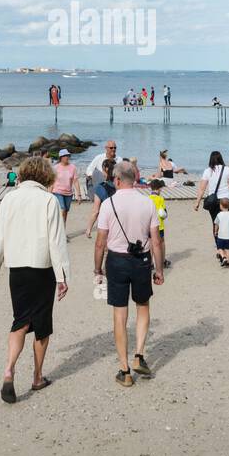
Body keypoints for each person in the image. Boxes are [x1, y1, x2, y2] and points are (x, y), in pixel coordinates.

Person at [0, 156, 69, 404]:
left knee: (20, 321)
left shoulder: (9, 198)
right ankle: (37, 376)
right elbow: (56, 241)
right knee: (42, 325)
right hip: (42, 267)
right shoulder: (49, 200)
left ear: (22, 174)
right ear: (46, 176)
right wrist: (62, 276)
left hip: (17, 268)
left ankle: (9, 369)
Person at [93, 161, 163, 388]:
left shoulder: (108, 204)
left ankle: (124, 370)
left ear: (116, 180)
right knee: (143, 307)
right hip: (141, 260)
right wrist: (159, 269)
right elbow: (156, 240)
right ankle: (139, 354)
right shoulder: (148, 202)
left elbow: (100, 243)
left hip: (116, 260)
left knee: (119, 315)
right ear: (134, 179)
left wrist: (98, 268)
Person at [194, 151, 229, 248]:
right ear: (221, 158)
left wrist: (197, 202)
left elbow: (202, 188)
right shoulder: (227, 169)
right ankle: (225, 248)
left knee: (215, 223)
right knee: (226, 223)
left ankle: (219, 247)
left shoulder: (207, 171)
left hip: (213, 202)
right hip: (226, 201)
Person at [83, 159, 117, 239]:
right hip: (120, 221)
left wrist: (89, 229)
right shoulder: (121, 185)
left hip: (106, 222)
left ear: (104, 170)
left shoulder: (101, 187)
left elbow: (95, 211)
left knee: (104, 248)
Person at [51, 149, 81, 220]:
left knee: (65, 212)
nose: (67, 157)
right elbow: (52, 181)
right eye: (65, 156)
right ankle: (59, 227)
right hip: (57, 192)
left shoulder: (73, 167)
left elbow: (75, 181)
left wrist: (79, 195)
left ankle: (63, 228)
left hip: (68, 193)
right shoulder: (56, 168)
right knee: (62, 209)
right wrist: (49, 193)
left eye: (68, 156)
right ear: (61, 157)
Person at [148, 179, 170, 268]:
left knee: (150, 243)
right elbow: (164, 213)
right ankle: (163, 261)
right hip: (159, 225)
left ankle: (150, 263)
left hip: (149, 226)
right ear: (159, 188)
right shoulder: (160, 198)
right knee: (161, 242)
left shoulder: (148, 198)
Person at [214, 198, 229, 267]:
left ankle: (223, 257)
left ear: (220, 206)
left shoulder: (219, 215)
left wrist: (215, 231)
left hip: (221, 235)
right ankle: (228, 261)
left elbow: (216, 225)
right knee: (228, 249)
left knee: (220, 248)